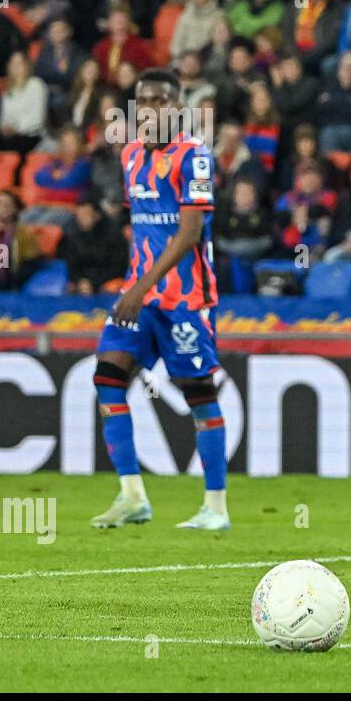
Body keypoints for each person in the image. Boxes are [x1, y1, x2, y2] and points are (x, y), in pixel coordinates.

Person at [90, 69, 230, 532]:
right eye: (142, 100)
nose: (150, 107)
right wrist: (137, 286)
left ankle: (216, 507)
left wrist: (138, 287)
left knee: (198, 395)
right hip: (141, 297)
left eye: (161, 100)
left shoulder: (195, 157)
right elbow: (148, 228)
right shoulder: (130, 155)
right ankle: (132, 496)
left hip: (185, 299)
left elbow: (189, 235)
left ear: (178, 107)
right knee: (108, 379)